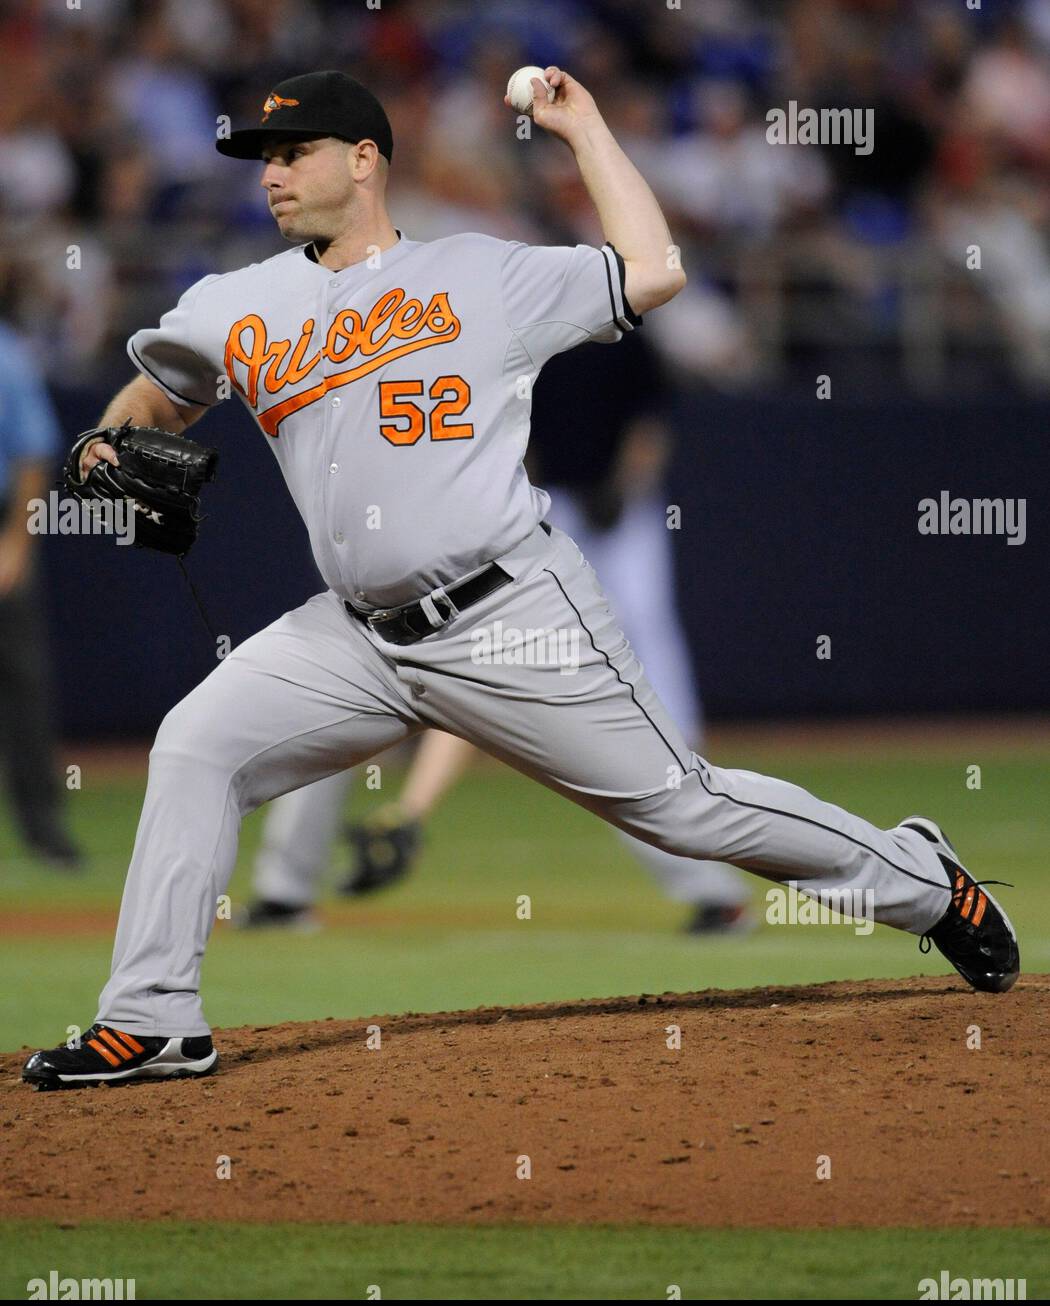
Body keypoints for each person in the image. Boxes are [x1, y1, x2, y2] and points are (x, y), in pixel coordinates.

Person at [22, 68, 1018, 1090]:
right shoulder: (239, 301)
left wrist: (584, 130)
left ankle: (922, 879)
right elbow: (159, 394)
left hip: (508, 614)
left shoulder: (478, 274)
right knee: (196, 746)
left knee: (686, 809)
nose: (270, 175)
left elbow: (653, 271)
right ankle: (153, 1018)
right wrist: (106, 440)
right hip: (353, 636)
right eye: (263, 159)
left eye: (292, 153)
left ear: (363, 160)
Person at [241, 332, 753, 935]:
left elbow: (474, 680)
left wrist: (411, 811)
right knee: (333, 702)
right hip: (434, 565)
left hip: (501, 555)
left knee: (590, 713)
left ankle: (716, 887)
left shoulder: (514, 375)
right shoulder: (398, 467)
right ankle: (283, 891)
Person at [0, 306, 82, 868]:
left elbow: (33, 450)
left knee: (22, 682)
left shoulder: (6, 353)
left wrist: (16, 544)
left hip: (2, 524)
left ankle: (43, 828)